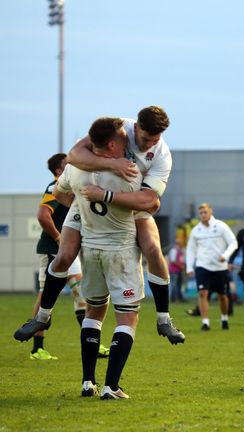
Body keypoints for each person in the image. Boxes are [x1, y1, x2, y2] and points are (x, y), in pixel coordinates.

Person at [13, 106, 185, 345]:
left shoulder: (162, 153)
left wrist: (106, 196)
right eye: (145, 139)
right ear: (136, 128)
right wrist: (113, 167)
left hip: (129, 203)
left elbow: (150, 202)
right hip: (89, 199)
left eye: (155, 140)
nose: (148, 145)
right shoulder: (117, 128)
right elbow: (74, 155)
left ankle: (163, 318)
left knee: (153, 249)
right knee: (64, 254)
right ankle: (43, 317)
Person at [56, 117, 160, 398]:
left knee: (93, 312)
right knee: (127, 317)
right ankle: (111, 386)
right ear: (113, 143)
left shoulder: (76, 168)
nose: (128, 143)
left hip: (90, 248)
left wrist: (81, 208)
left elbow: (59, 192)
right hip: (121, 251)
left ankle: (87, 382)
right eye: (122, 139)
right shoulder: (130, 172)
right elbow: (151, 202)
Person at [25, 153, 105, 360]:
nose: (73, 165)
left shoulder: (72, 188)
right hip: (53, 249)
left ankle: (92, 342)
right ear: (60, 171)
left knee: (80, 292)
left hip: (67, 251)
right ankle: (37, 348)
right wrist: (60, 238)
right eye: (68, 164)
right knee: (46, 295)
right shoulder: (54, 187)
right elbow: (43, 215)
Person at [186, 203, 238, 330]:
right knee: (203, 293)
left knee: (222, 296)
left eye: (205, 212)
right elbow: (191, 250)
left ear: (211, 212)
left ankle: (224, 318)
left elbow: (233, 243)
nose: (203, 215)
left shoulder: (221, 226)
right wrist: (189, 267)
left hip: (220, 267)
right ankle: (205, 322)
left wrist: (225, 256)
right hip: (202, 266)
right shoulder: (196, 230)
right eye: (201, 213)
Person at [168, 237, 186, 302]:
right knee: (174, 284)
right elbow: (173, 261)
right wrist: (181, 266)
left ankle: (180, 298)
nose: (181, 245)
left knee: (179, 284)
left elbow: (182, 260)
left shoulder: (180, 251)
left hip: (179, 271)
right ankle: (173, 298)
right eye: (180, 244)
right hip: (174, 271)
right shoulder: (174, 250)